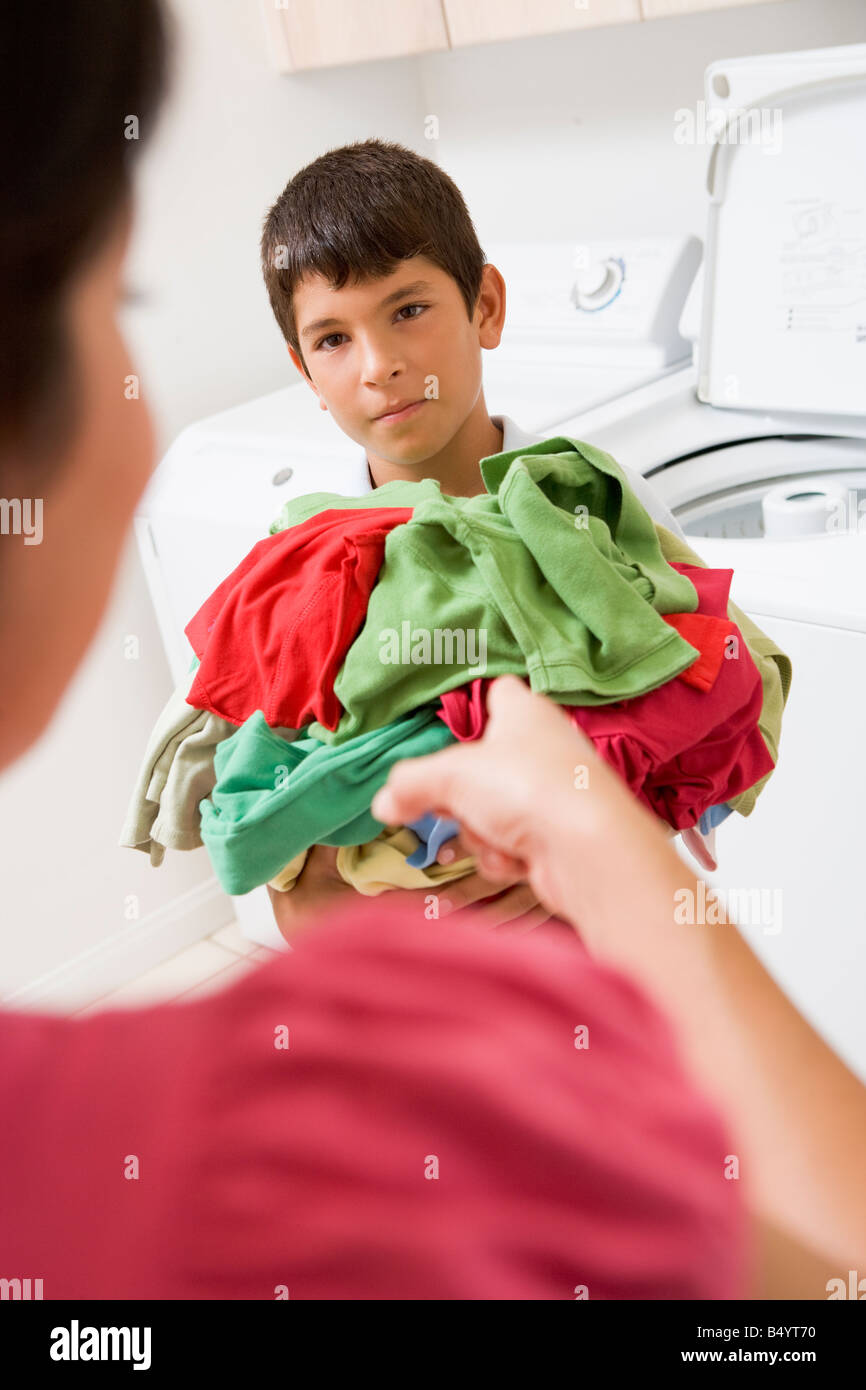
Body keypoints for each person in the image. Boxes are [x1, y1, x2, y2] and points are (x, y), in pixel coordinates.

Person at [0, 0, 860, 1302]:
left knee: (666, 1205)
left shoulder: (580, 512)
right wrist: (419, 899)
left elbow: (710, 739)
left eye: (411, 311)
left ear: (486, 306)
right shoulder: (302, 578)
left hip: (620, 1000)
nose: (383, 365)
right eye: (336, 339)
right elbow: (276, 869)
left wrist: (613, 838)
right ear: (301, 364)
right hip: (443, 1023)